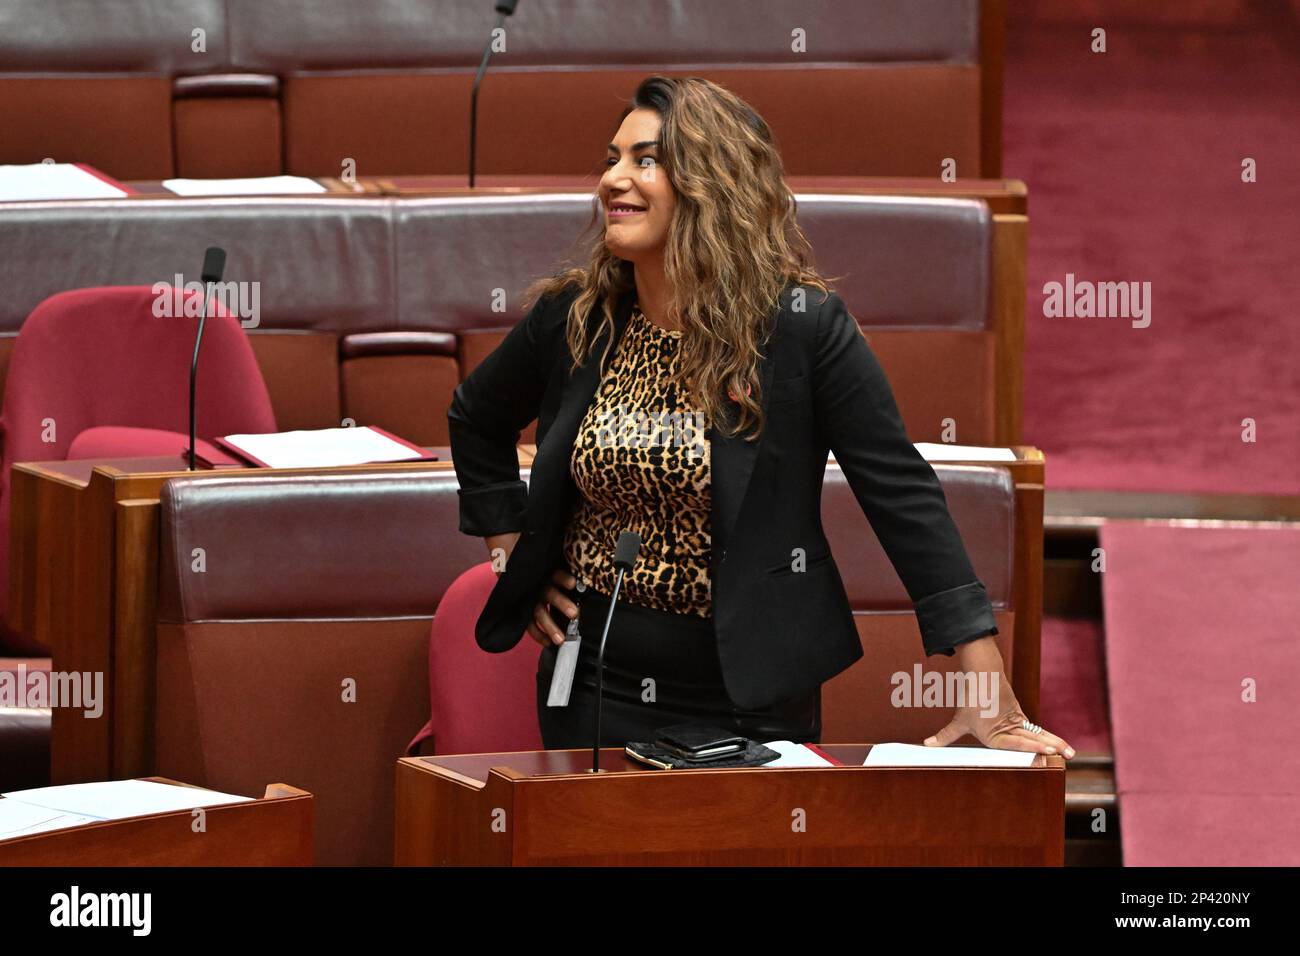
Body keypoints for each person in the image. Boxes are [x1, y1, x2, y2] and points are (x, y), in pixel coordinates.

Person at [448, 75, 1074, 760]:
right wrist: (515, 560)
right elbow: (475, 418)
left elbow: (901, 492)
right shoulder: (578, 319)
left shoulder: (800, 330)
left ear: (710, 184)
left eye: (645, 160)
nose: (612, 180)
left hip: (749, 697)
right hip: (593, 678)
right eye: (611, 158)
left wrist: (983, 685)